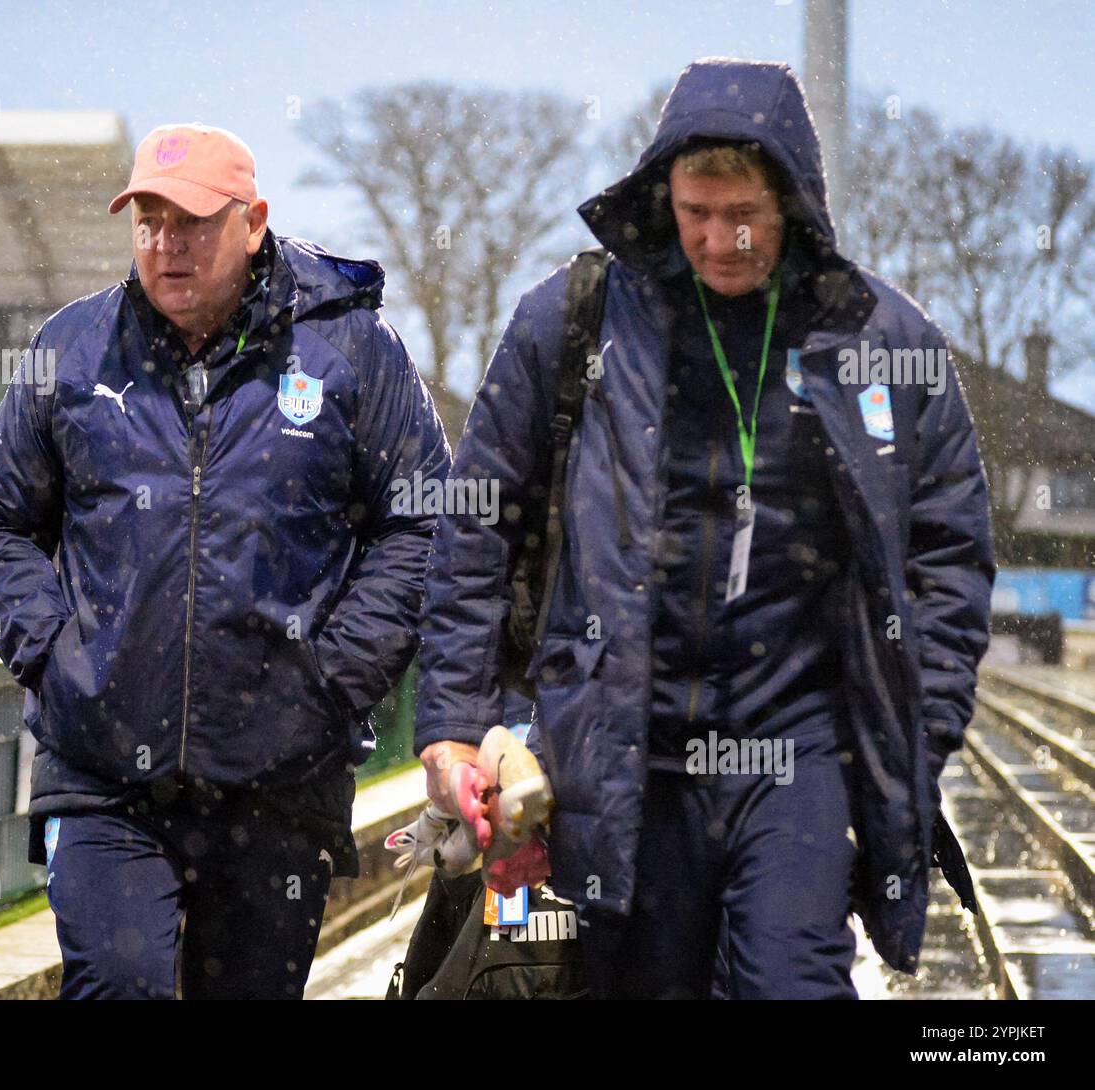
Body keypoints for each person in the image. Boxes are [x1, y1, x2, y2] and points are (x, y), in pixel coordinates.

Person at [413, 59, 994, 999]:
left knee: (791, 981)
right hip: (623, 749)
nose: (721, 241)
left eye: (746, 215)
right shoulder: (575, 318)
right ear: (664, 198)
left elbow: (950, 555)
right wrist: (446, 725)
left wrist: (911, 743)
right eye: (696, 213)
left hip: (798, 747)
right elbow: (474, 524)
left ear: (793, 202)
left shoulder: (880, 339)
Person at [0, 123, 449, 999]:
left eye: (189, 223)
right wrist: (55, 658)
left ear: (252, 222)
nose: (164, 245)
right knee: (120, 982)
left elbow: (425, 526)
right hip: (105, 771)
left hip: (279, 782)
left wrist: (332, 679)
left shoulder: (352, 351)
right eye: (147, 221)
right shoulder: (73, 349)